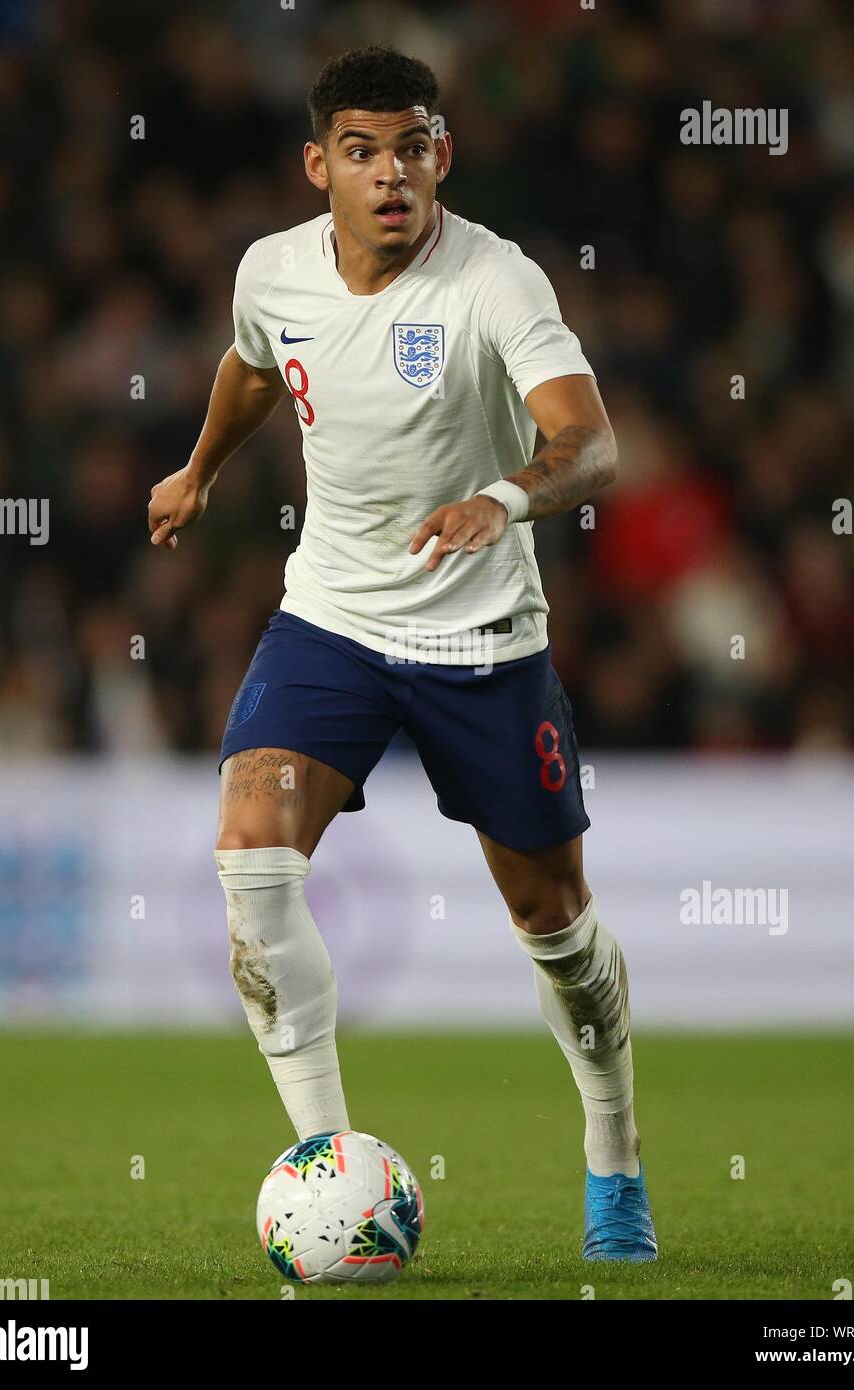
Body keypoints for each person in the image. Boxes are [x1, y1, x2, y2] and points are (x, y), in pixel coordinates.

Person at [147, 44, 657, 1262]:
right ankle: (329, 1170)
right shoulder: (272, 269)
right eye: (364, 152)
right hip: (330, 619)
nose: (392, 175)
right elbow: (252, 366)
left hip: (481, 638)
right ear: (318, 164)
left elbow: (590, 447)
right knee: (249, 858)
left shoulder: (496, 282)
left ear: (444, 155)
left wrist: (506, 497)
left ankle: (614, 1154)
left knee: (556, 925)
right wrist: (200, 469)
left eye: (414, 146)